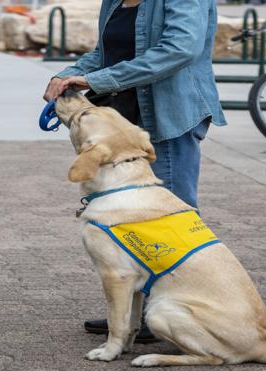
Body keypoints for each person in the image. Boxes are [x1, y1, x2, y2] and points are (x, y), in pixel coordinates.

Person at [44, 0, 224, 342]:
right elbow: (106, 51)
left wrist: (98, 79)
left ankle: (187, 312)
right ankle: (132, 317)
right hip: (128, 116)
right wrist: (69, 75)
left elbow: (179, 49)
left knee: (169, 220)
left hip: (171, 115)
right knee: (132, 224)